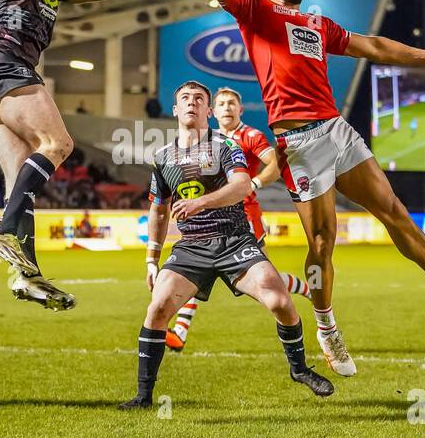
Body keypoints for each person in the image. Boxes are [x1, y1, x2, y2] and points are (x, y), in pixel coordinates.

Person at [142, 0, 425, 378]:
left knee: (392, 209)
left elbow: (373, 46)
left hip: (336, 128)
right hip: (298, 141)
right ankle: (326, 326)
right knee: (322, 241)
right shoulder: (255, 11)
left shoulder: (316, 24)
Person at [0, 0, 149, 309]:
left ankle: (27, 276)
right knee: (59, 145)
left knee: (20, 181)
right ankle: (3, 230)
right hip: (6, 62)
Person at [123, 81, 334, 409]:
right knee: (158, 308)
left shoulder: (224, 146)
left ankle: (300, 369)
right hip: (191, 246)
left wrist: (201, 203)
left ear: (208, 111)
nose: (192, 103)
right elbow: (158, 209)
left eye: (199, 100)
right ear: (176, 109)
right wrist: (152, 259)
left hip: (234, 239)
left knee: (279, 300)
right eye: (185, 99)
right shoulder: (163, 157)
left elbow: (240, 186)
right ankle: (143, 396)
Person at [165, 85, 314, 351]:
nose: (226, 108)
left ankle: (310, 292)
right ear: (213, 111)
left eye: (231, 103)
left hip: (244, 215)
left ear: (240, 109)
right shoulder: (205, 138)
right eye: (221, 104)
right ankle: (179, 331)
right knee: (196, 266)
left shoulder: (250, 136)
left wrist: (253, 184)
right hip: (210, 216)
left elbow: (277, 163)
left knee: (267, 280)